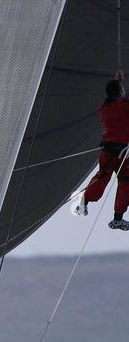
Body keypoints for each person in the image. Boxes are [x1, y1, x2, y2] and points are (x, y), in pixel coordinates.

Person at [78, 72, 129, 229]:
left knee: (101, 178)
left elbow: (114, 97)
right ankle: (118, 219)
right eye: (122, 89)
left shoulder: (104, 108)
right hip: (123, 154)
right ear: (120, 92)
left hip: (108, 151)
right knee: (126, 183)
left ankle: (83, 202)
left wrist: (116, 81)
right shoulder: (125, 105)